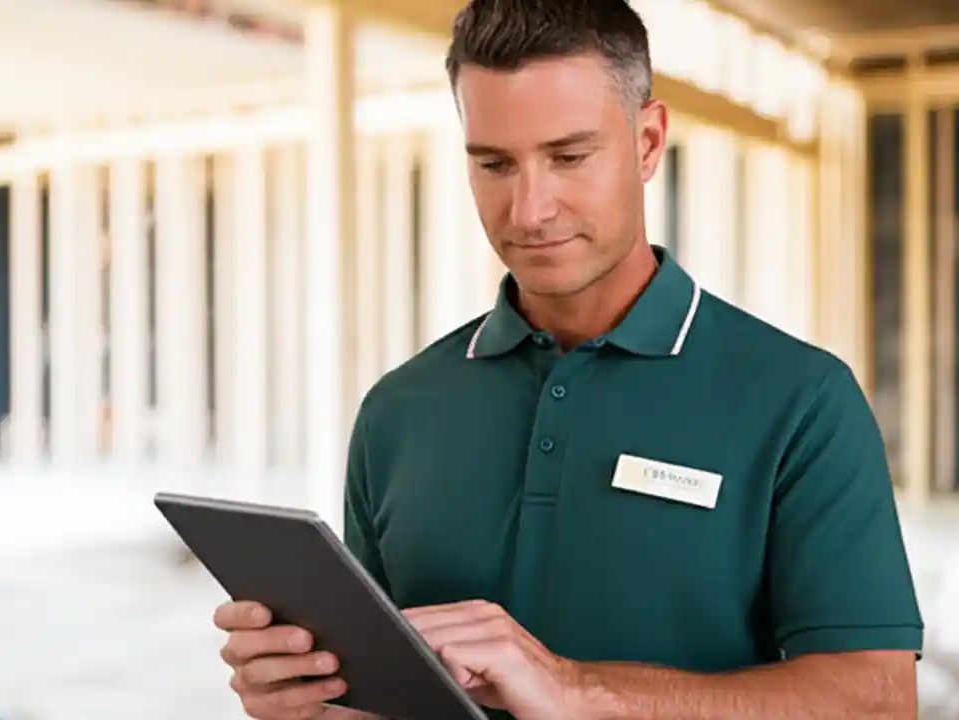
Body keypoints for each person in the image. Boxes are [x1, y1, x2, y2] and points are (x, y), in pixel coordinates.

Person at [213, 1, 923, 718]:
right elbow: (388, 691)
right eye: (494, 164)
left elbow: (879, 700)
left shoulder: (802, 401)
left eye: (569, 157)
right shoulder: (396, 411)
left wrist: (576, 690)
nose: (528, 210)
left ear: (648, 142)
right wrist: (315, 699)